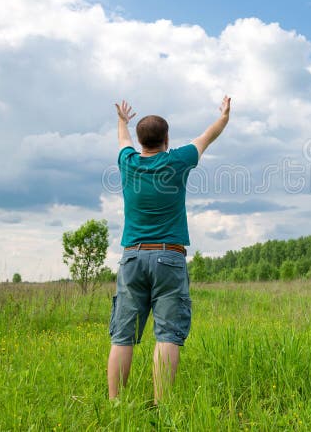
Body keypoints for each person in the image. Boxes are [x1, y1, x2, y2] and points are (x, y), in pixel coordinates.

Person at [107, 96, 231, 402]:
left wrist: (123, 119)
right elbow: (207, 137)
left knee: (122, 337)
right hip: (169, 257)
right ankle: (162, 407)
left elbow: (122, 139)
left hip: (132, 256)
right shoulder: (178, 160)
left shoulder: (128, 162)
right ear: (166, 140)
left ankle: (115, 406)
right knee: (167, 335)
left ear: (140, 141)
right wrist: (224, 117)